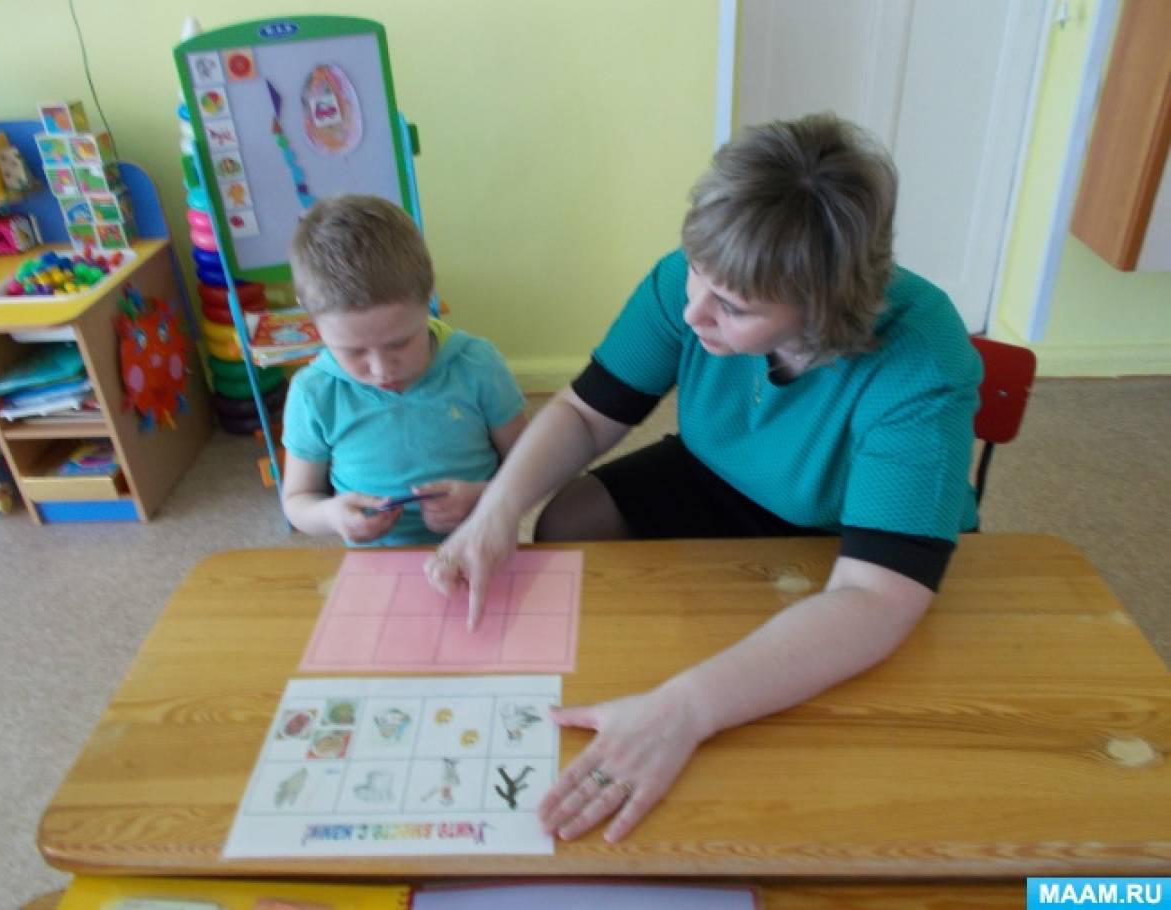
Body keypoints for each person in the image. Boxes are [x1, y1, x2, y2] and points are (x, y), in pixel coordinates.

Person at [424, 113, 982, 841]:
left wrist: (686, 708)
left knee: (832, 731)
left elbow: (876, 598)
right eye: (696, 270)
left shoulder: (922, 360)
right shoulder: (694, 284)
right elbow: (586, 414)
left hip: (842, 528)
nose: (692, 312)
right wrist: (498, 509)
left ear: (824, 312)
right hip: (719, 471)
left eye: (734, 307)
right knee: (568, 519)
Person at [281, 195, 527, 546]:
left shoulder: (477, 366)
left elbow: (530, 469)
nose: (381, 370)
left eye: (400, 343)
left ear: (429, 294)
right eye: (353, 351)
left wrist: (484, 497)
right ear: (311, 317)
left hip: (481, 546)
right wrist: (331, 515)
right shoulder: (314, 393)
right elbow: (297, 501)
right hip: (376, 563)